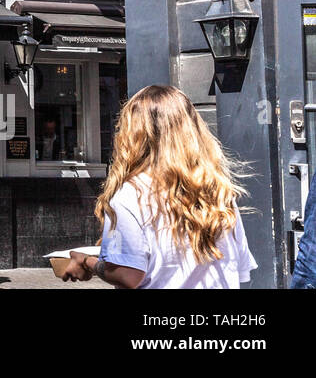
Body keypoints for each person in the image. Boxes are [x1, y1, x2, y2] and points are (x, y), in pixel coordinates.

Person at [63, 84, 256, 289]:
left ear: (132, 135)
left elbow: (128, 276)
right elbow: (239, 270)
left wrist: (86, 262)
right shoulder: (218, 191)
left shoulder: (130, 195)